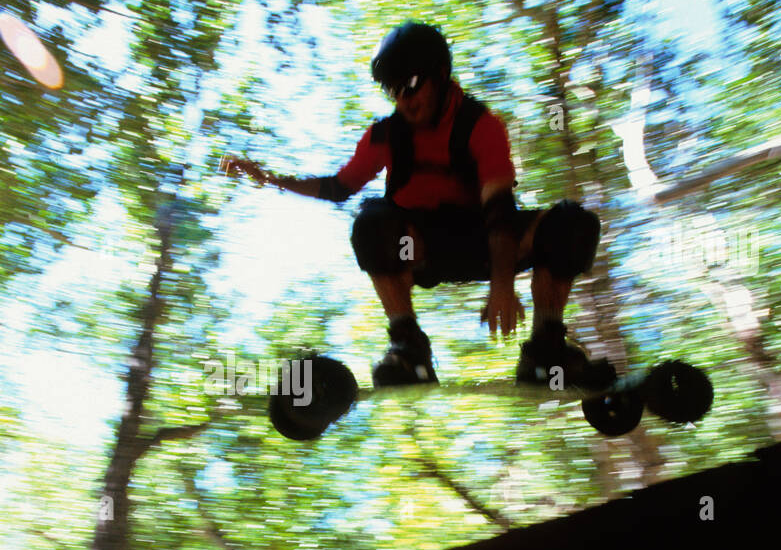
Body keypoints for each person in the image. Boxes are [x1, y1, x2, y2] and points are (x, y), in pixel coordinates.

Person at [221, 21, 611, 389]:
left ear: (440, 75)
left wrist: (503, 284)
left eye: (410, 83)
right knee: (372, 225)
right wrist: (272, 180)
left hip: (486, 242)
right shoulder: (385, 136)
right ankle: (409, 349)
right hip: (418, 247)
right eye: (393, 90)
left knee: (570, 225)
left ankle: (546, 352)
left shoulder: (481, 125)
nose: (403, 99)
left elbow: (498, 210)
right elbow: (339, 187)